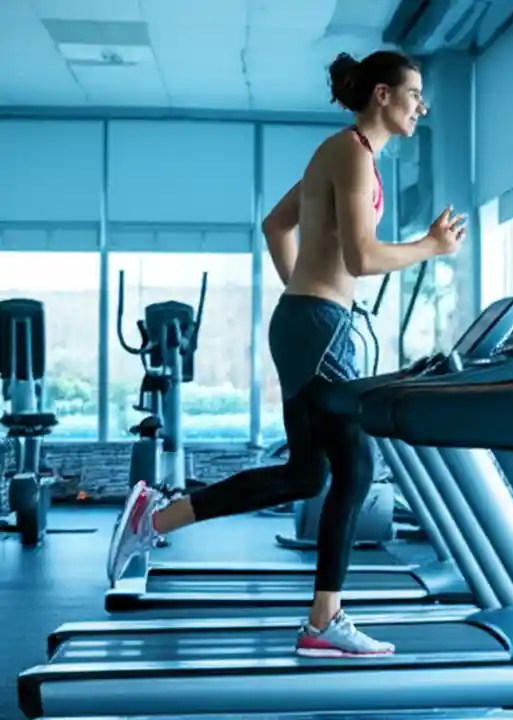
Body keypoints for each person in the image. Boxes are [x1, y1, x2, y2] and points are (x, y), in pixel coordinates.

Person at [105, 49, 465, 658]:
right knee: (356, 467)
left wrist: (304, 295)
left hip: (308, 320)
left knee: (309, 473)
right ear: (382, 95)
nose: (421, 107)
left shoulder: (340, 151)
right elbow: (361, 258)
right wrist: (430, 246)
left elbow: (276, 225)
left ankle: (155, 519)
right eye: (414, 94)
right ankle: (323, 623)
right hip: (318, 325)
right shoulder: (352, 152)